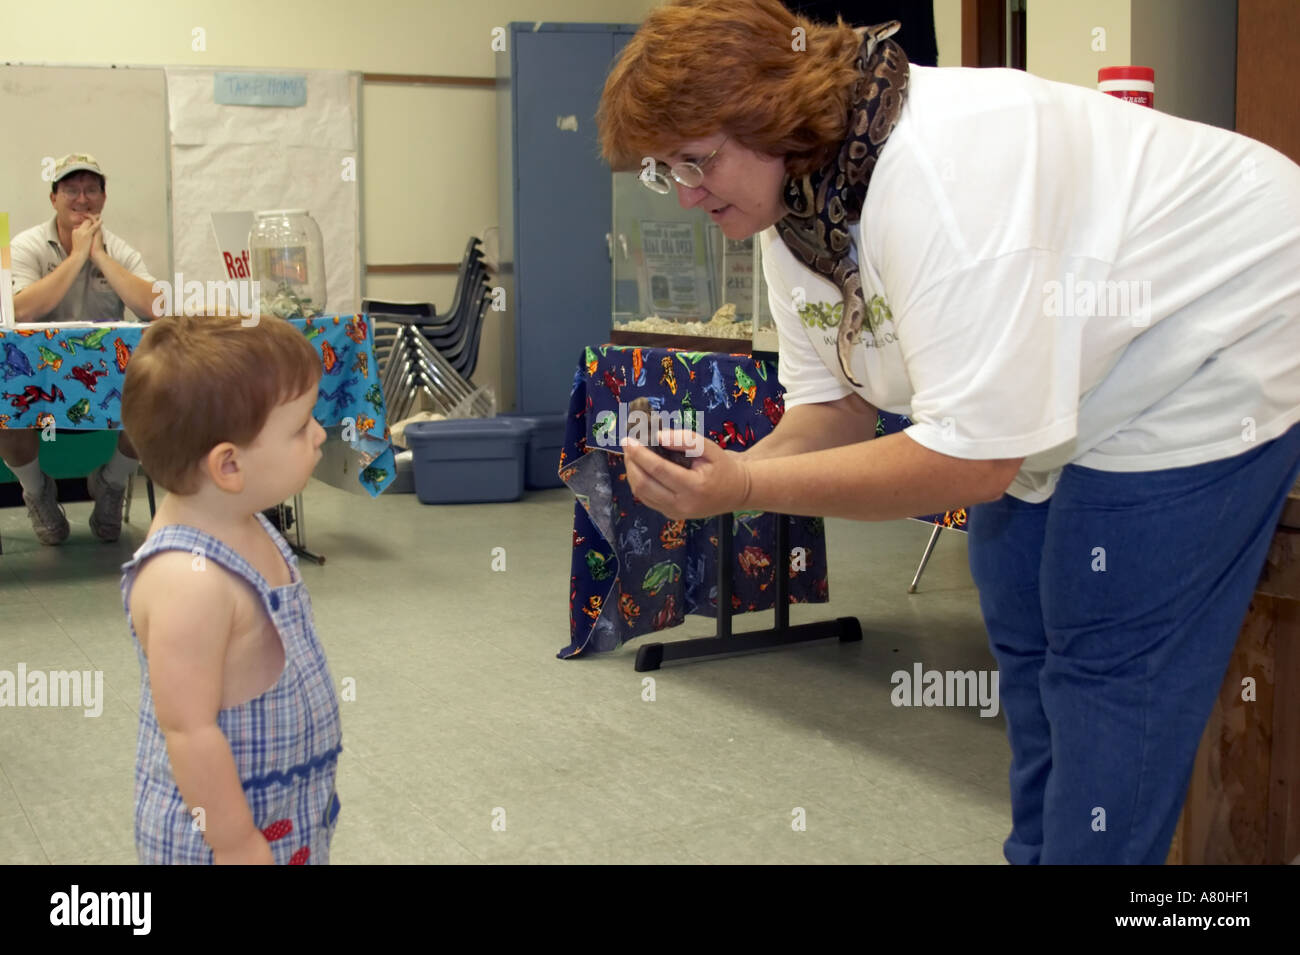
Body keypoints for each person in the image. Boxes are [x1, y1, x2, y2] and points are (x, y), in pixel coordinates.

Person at [597, 0, 1300, 864]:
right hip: (1071, 363)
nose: (689, 192)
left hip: (1218, 324)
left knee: (1107, 660)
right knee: (1022, 623)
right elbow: (840, 411)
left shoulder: (945, 177)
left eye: (697, 161)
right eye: (666, 171)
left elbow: (971, 460)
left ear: (775, 117)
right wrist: (730, 470)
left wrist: (747, 488)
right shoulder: (798, 213)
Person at [119, 314, 340, 864]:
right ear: (229, 464)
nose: (320, 434)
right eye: (301, 426)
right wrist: (238, 844)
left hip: (285, 811)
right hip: (217, 842)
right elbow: (189, 731)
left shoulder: (244, 518)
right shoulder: (186, 581)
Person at [5, 153, 159, 544]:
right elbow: (20, 307)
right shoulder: (25, 245)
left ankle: (110, 483)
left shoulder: (117, 247)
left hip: (102, 381)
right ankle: (38, 491)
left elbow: (154, 306)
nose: (82, 198)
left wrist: (100, 256)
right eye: (71, 189)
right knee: (4, 397)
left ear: (103, 198)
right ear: (54, 197)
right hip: (38, 378)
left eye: (91, 189)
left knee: (158, 393)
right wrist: (76, 256)